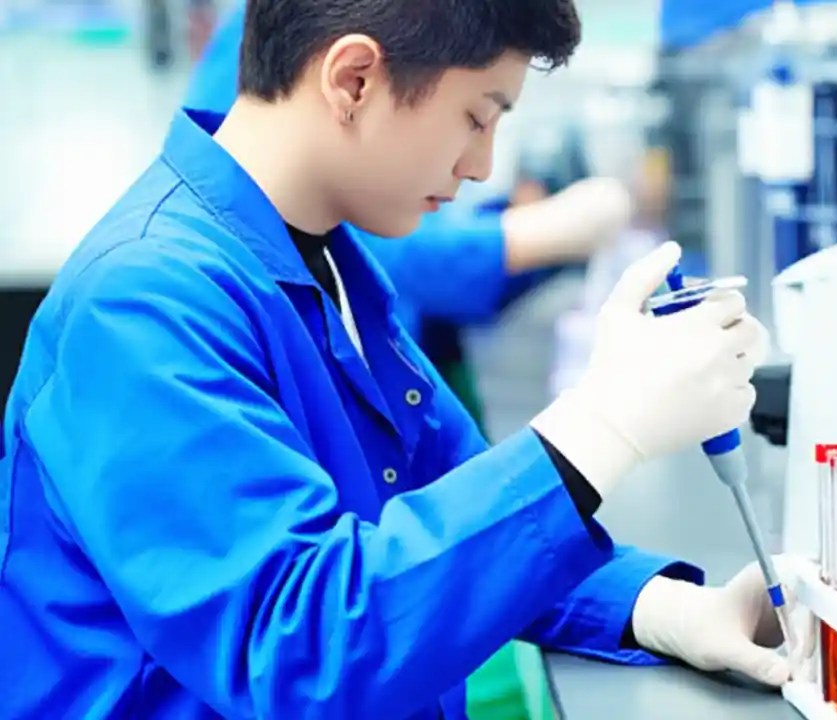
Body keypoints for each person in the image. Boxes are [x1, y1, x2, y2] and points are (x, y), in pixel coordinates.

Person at [0, 2, 790, 719]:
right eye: (477, 117)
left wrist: (669, 611)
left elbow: (466, 528)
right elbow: (303, 650)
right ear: (353, 79)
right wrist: (606, 424)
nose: (483, 164)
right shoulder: (146, 305)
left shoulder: (327, 264)